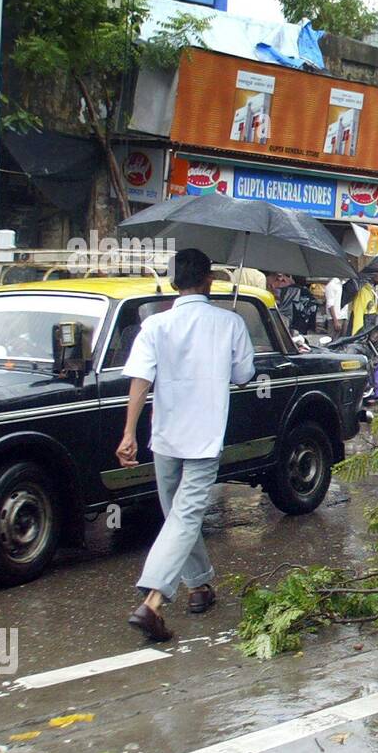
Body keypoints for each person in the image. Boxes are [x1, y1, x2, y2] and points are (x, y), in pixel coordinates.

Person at [119, 248, 255, 642]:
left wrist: (128, 433)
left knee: (179, 516)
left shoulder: (155, 325)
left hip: (164, 437)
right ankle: (153, 602)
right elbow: (245, 374)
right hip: (204, 437)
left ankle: (199, 586)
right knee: (183, 518)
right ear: (209, 280)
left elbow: (139, 381)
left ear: (174, 281)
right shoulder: (230, 322)